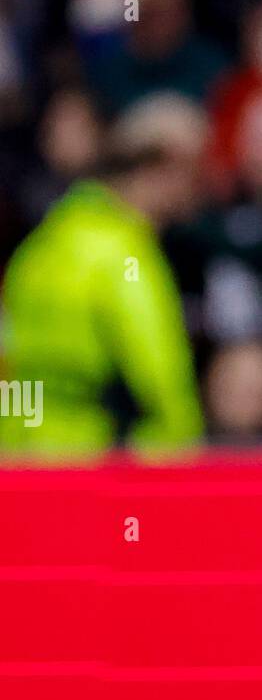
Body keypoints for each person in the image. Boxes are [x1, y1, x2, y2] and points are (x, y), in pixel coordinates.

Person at [0, 94, 206, 455]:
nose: (199, 188)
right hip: (83, 457)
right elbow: (162, 379)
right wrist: (181, 458)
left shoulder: (42, 242)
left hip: (15, 448)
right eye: (193, 171)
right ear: (163, 166)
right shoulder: (125, 254)